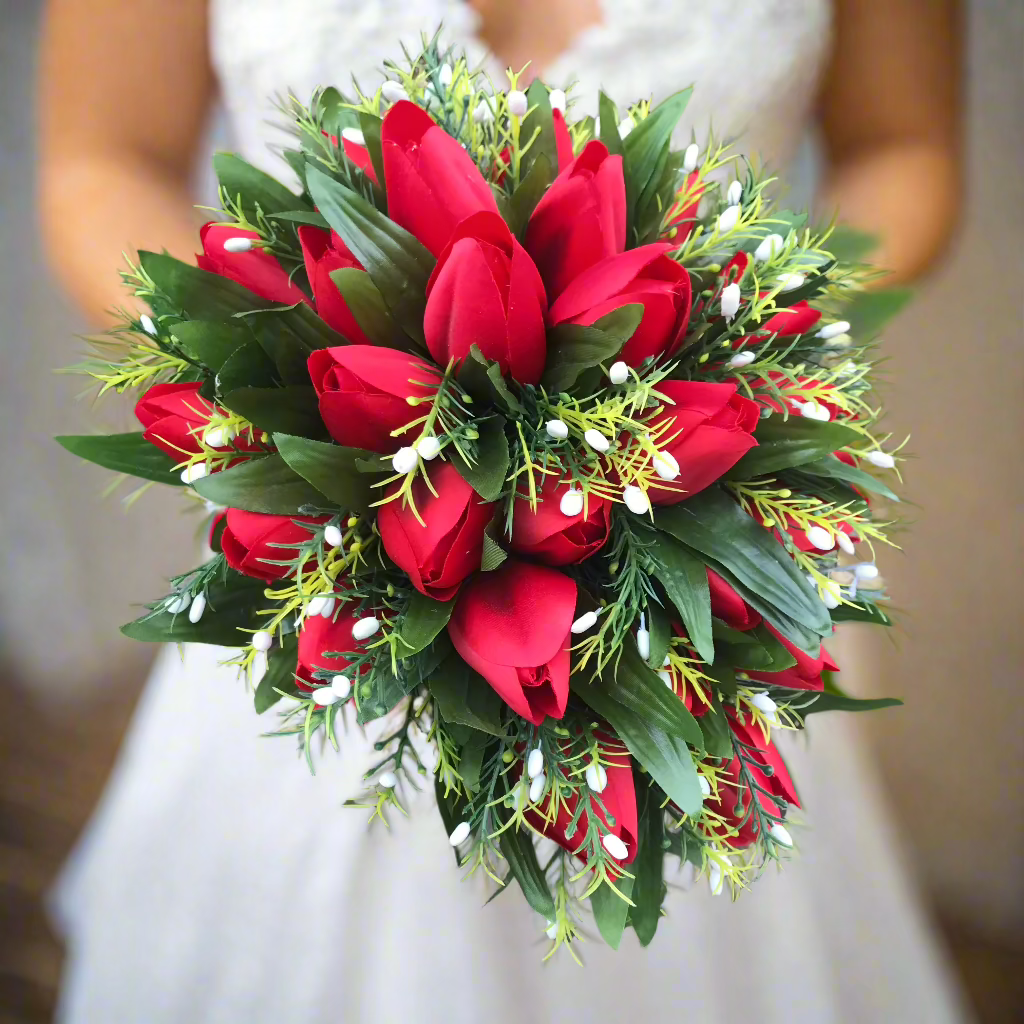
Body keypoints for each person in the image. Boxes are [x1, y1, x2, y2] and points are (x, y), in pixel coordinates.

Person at [39, 1, 966, 1021]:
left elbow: (901, 146)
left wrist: (747, 339)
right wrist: (277, 396)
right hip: (326, 555)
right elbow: (104, 158)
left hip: (690, 518)